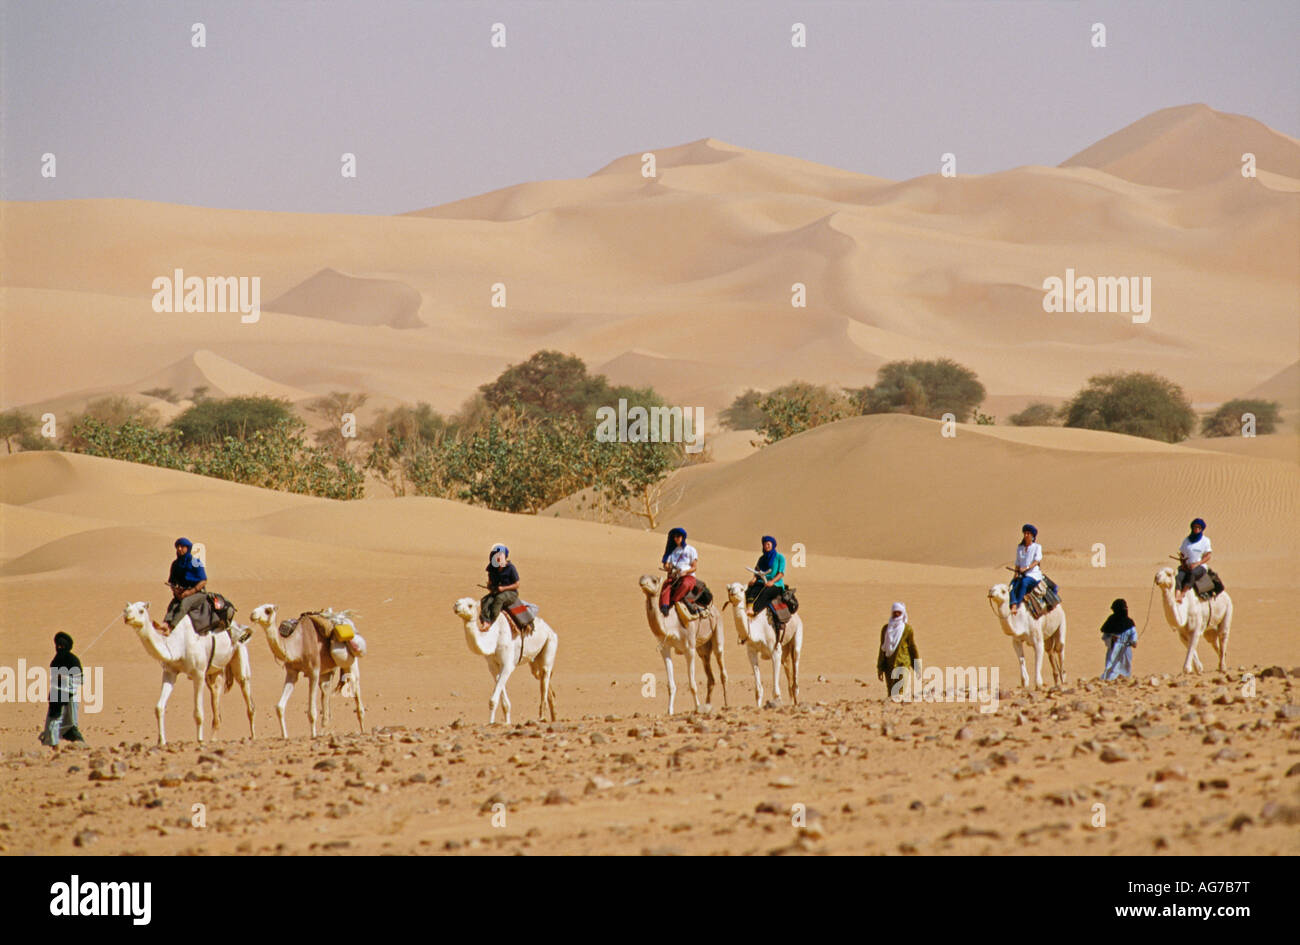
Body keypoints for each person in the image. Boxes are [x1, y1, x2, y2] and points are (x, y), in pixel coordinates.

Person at [39, 632, 85, 747]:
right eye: (58, 646)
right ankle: (52, 745)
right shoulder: (56, 661)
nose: (59, 648)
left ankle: (80, 746)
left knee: (71, 723)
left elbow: (80, 679)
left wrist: (65, 678)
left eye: (62, 646)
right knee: (54, 720)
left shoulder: (73, 660)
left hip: (70, 694)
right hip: (57, 694)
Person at [877, 602, 920, 697]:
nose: (896, 614)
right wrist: (880, 668)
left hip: (903, 664)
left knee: (900, 693)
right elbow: (882, 649)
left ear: (903, 613)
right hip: (889, 666)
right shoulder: (885, 629)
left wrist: (917, 667)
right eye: (894, 612)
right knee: (891, 694)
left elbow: (912, 648)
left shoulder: (907, 629)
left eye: (899, 612)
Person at [164, 537, 207, 629]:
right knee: (173, 605)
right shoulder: (175, 564)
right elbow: (172, 582)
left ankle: (172, 626)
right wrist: (176, 592)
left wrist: (190, 592)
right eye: (178, 547)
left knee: (185, 603)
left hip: (197, 593)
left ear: (188, 548)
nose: (179, 549)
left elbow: (203, 581)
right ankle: (165, 624)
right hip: (181, 593)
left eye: (182, 546)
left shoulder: (196, 562)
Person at [659, 526, 698, 617]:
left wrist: (685, 572)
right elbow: (667, 564)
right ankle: (664, 606)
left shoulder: (691, 550)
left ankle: (673, 601)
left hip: (688, 576)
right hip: (674, 576)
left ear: (683, 537)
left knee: (685, 584)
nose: (676, 538)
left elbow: (694, 567)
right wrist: (668, 568)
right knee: (666, 585)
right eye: (675, 537)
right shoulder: (672, 552)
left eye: (678, 536)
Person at [481, 543, 520, 630]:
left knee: (499, 599)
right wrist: (490, 586)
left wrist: (504, 588)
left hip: (511, 593)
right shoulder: (492, 568)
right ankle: (485, 621)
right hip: (497, 591)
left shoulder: (510, 568)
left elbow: (517, 585)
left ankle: (491, 621)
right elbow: (490, 581)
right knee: (485, 600)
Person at [745, 535, 786, 619]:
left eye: (768, 544)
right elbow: (757, 571)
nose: (766, 546)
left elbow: (781, 573)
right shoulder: (762, 559)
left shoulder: (780, 557)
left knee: (766, 593)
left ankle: (755, 610)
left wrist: (772, 581)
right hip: (761, 582)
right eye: (764, 544)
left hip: (776, 584)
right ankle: (748, 608)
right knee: (749, 590)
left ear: (773, 545)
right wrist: (754, 579)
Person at [1175, 517, 1212, 603]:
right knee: (1178, 576)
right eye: (1195, 527)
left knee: (1192, 574)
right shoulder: (1187, 540)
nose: (1196, 529)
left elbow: (1208, 555)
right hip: (1187, 566)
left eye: (1199, 527)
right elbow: (1182, 553)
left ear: (1202, 529)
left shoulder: (1205, 541)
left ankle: (1182, 594)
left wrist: (1197, 563)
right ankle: (1177, 594)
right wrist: (1183, 563)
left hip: (1199, 566)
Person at [1100, 599, 1138, 680]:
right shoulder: (1111, 620)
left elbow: (1133, 634)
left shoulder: (1129, 622)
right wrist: (1111, 638)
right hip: (1114, 648)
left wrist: (1134, 641)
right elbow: (1105, 636)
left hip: (1126, 649)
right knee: (1111, 667)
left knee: (1126, 668)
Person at [1009, 524, 1043, 615]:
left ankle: (1018, 605)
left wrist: (1026, 568)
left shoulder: (1037, 547)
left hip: (1033, 575)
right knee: (1011, 586)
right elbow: (1017, 562)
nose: (1026, 535)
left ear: (1032, 536)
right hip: (1021, 574)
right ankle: (1013, 604)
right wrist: (1015, 575)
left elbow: (1037, 560)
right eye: (1025, 533)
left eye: (1028, 533)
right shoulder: (1020, 548)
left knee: (1024, 583)